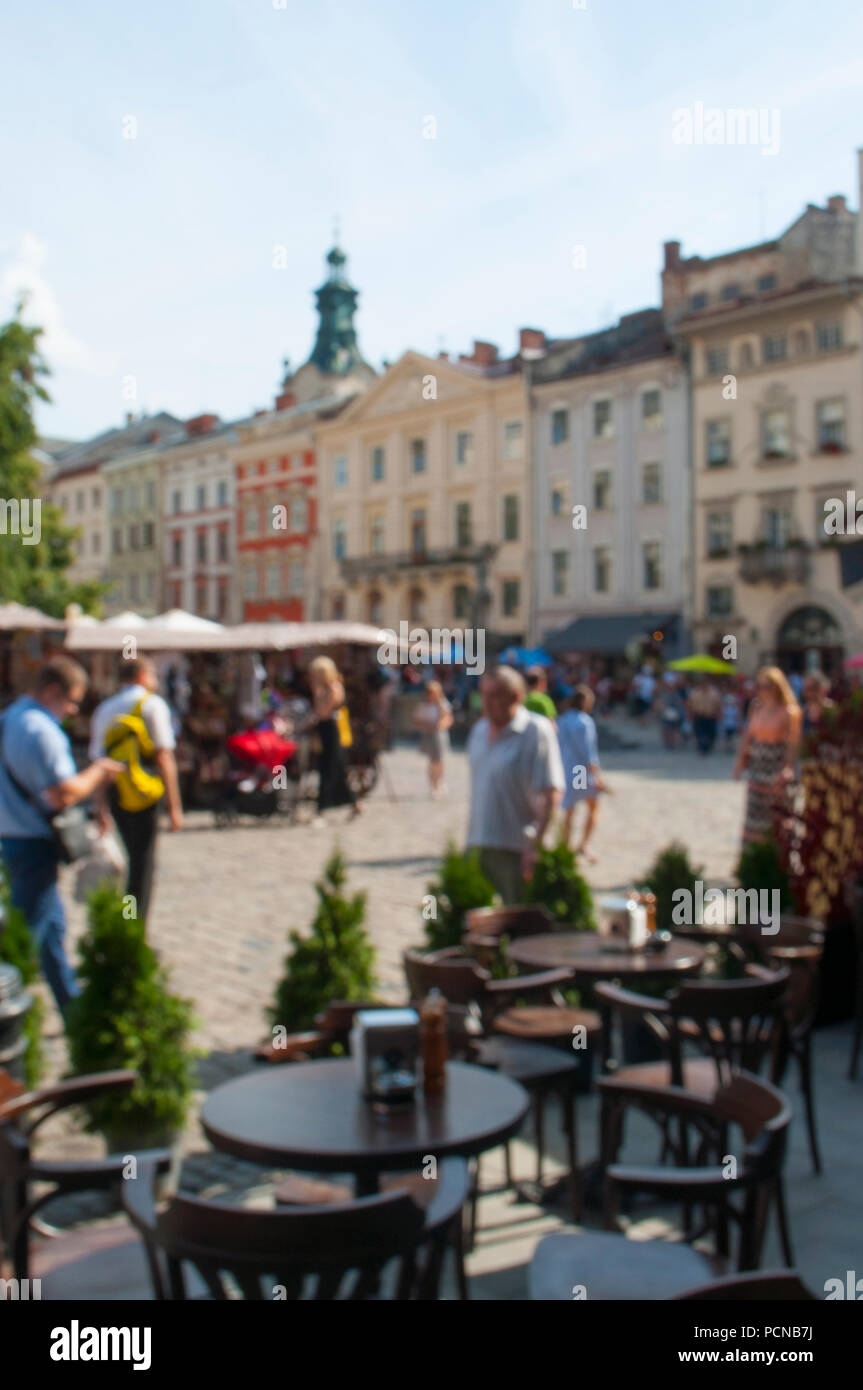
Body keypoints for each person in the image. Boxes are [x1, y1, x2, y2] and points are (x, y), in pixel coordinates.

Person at [0, 658, 123, 1015]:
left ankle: (71, 1007)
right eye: (71, 701)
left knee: (51, 927)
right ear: (53, 691)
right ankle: (9, 1012)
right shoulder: (41, 729)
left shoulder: (9, 718)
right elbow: (63, 793)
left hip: (12, 834)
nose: (71, 711)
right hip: (34, 841)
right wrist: (99, 772)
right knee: (25, 936)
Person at [90, 656, 183, 925]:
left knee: (128, 858)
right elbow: (165, 757)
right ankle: (134, 924)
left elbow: (100, 764)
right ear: (142, 675)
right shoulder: (153, 706)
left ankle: (124, 918)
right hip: (144, 793)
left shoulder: (105, 709)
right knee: (141, 864)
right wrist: (175, 807)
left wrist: (100, 807)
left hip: (116, 791)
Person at [466, 666, 564, 904]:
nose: (486, 703)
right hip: (479, 842)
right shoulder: (479, 731)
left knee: (517, 920)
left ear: (516, 697)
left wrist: (536, 845)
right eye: (483, 695)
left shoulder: (534, 731)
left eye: (494, 695)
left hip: (516, 848)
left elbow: (552, 792)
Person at [733, 666, 802, 846]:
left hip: (775, 763)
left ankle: (776, 857)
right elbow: (747, 736)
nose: (762, 689)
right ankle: (752, 855)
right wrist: (739, 763)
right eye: (760, 685)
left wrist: (787, 768)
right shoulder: (756, 707)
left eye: (767, 685)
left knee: (775, 813)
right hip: (758, 763)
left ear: (777, 687)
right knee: (755, 812)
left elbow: (792, 743)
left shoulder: (789, 711)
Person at [557, 685, 607, 862]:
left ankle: (565, 845)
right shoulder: (585, 721)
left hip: (565, 768)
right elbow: (588, 753)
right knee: (592, 807)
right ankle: (582, 844)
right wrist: (598, 777)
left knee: (569, 810)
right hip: (580, 770)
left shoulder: (562, 719)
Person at [308, 655, 360, 823]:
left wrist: (317, 694)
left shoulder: (333, 687)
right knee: (332, 770)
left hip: (332, 730)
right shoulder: (325, 688)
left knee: (331, 769)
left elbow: (323, 711)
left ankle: (321, 810)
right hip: (325, 730)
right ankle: (354, 804)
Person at [412, 680, 453, 798]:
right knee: (432, 762)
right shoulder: (423, 705)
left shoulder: (442, 704)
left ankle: (439, 782)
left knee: (439, 761)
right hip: (428, 735)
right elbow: (416, 720)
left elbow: (448, 719)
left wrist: (439, 725)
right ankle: (433, 784)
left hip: (439, 735)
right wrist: (427, 725)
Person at [688, 678, 722, 755]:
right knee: (700, 733)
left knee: (710, 733)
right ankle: (702, 748)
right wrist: (690, 714)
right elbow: (690, 704)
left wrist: (719, 714)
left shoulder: (714, 693)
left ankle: (707, 747)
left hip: (710, 716)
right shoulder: (695, 693)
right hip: (699, 716)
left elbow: (718, 704)